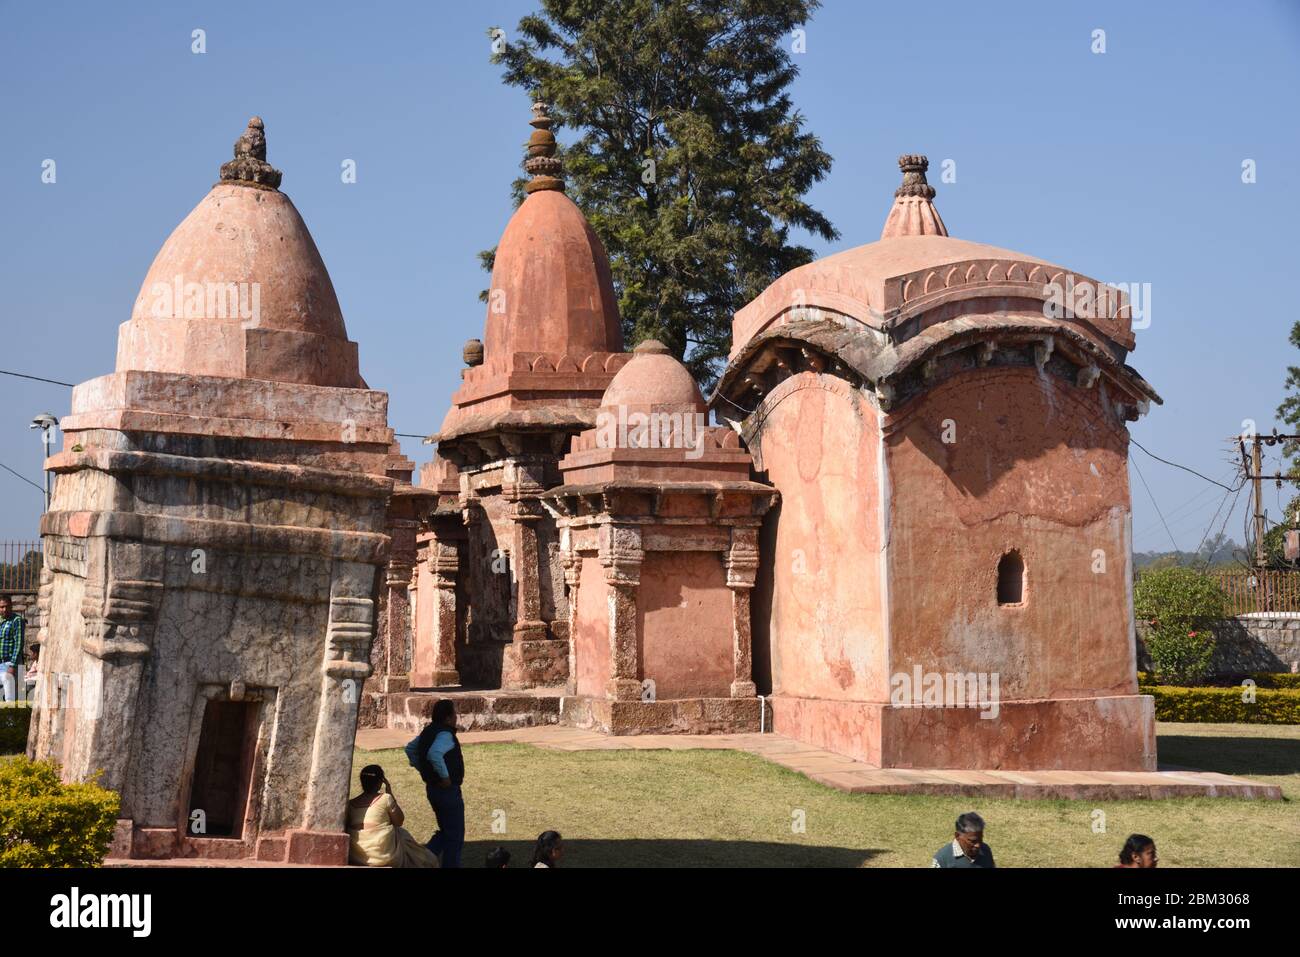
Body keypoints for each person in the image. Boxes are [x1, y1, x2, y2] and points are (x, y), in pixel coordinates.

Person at [405, 699, 465, 868]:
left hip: (433, 789)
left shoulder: (428, 731)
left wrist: (424, 770)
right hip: (447, 791)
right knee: (455, 835)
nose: (455, 718)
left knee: (446, 831)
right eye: (453, 714)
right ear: (447, 718)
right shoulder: (445, 734)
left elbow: (410, 749)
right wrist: (444, 777)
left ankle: (422, 859)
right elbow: (434, 754)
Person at [346, 765, 439, 868]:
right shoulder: (385, 798)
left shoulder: (351, 804)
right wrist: (390, 793)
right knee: (401, 834)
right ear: (381, 782)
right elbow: (399, 821)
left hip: (358, 856)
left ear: (362, 782)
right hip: (382, 855)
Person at [0, 597, 25, 703]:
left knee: (10, 698)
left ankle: (11, 720)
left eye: (6, 606)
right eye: (1, 607)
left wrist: (12, 665)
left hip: (9, 662)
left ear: (11, 607)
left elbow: (18, 644)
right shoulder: (1, 621)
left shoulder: (16, 620)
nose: (4, 609)